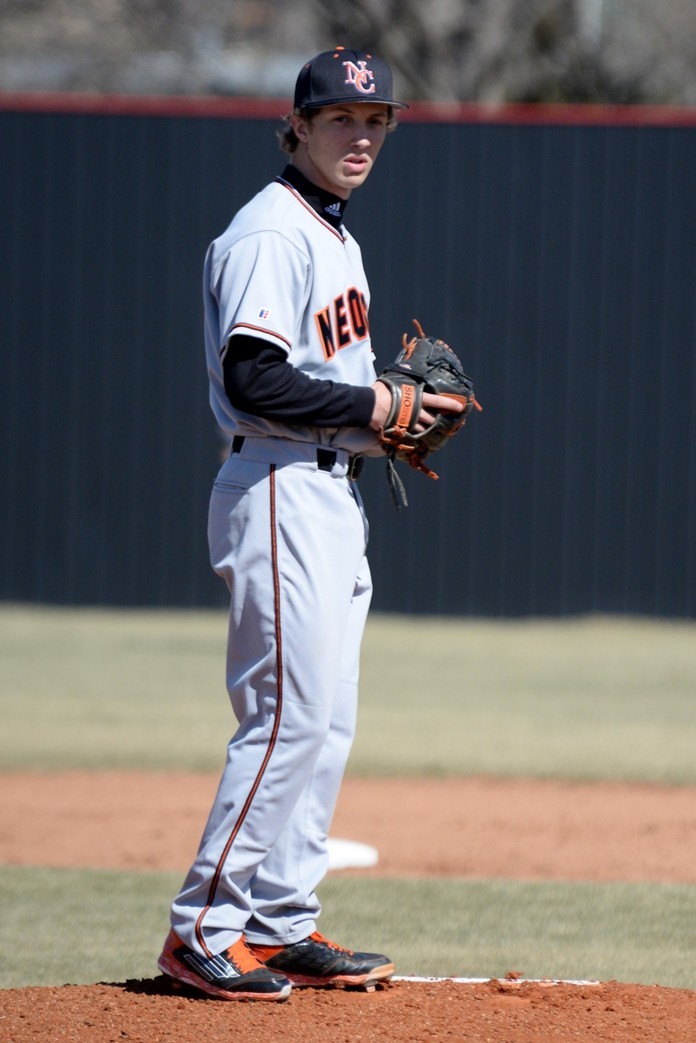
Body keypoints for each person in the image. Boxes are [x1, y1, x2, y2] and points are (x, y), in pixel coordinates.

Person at [157, 46, 464, 1003]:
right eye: (342, 120)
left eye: (376, 122)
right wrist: (374, 404)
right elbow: (252, 377)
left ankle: (281, 921)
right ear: (297, 127)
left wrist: (372, 423)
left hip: (330, 491)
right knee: (285, 717)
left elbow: (322, 385)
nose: (362, 135)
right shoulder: (270, 232)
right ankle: (202, 926)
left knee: (324, 723)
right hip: (279, 487)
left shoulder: (336, 237)